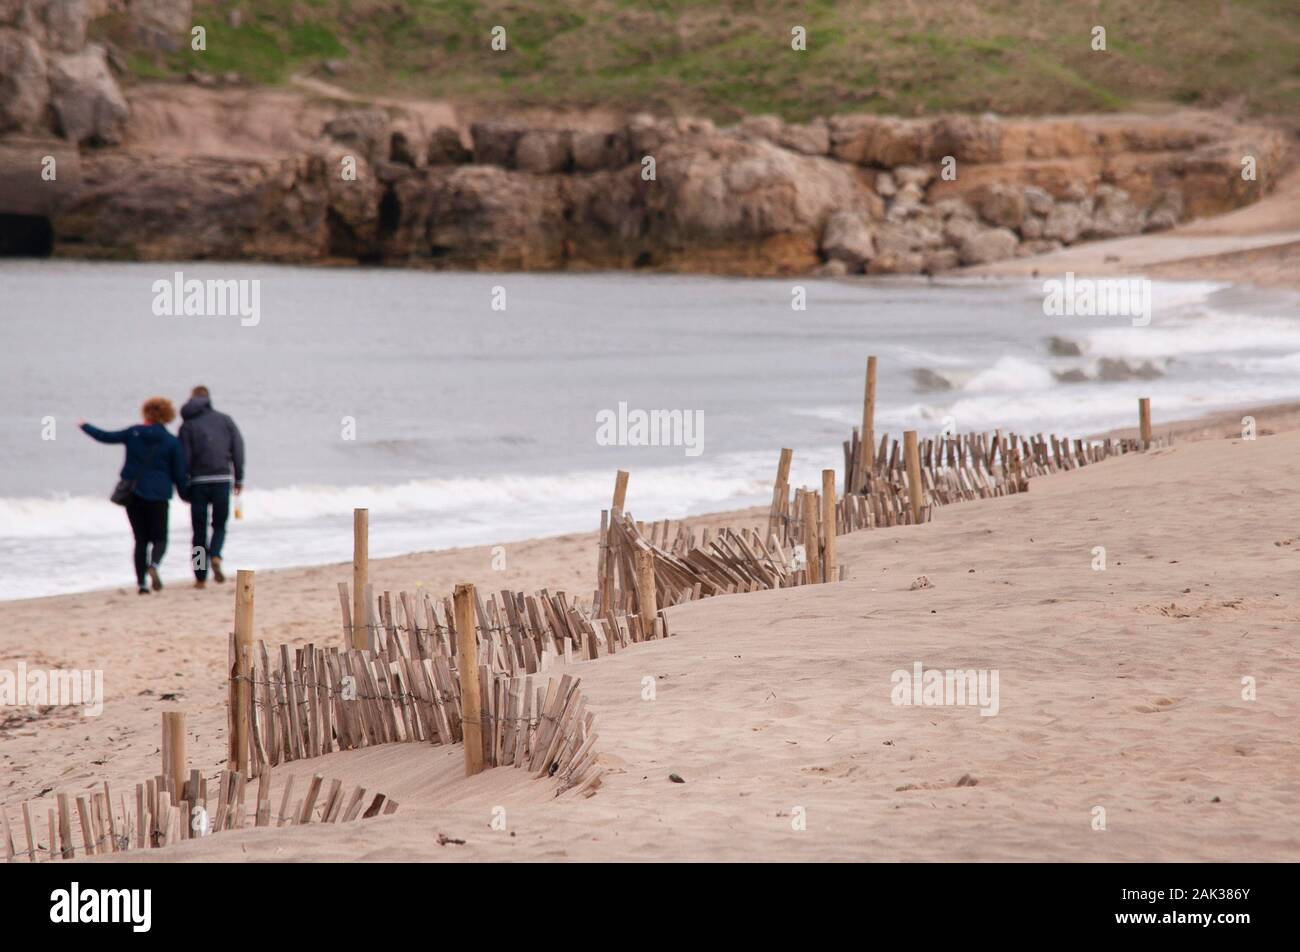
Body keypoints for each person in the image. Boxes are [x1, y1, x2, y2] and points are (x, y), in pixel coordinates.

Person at [81, 398, 188, 595]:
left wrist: (85, 426)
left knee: (140, 540)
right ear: (167, 415)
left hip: (135, 494)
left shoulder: (133, 433)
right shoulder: (171, 441)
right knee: (160, 538)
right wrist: (185, 495)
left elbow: (105, 436)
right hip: (159, 495)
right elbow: (180, 473)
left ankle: (142, 585)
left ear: (146, 413)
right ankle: (154, 564)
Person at [178, 386, 245, 588]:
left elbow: (183, 460)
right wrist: (239, 478)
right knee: (219, 525)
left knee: (198, 532)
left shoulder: (187, 425)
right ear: (208, 399)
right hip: (222, 479)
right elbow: (238, 449)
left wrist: (183, 487)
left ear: (191, 399)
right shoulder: (225, 420)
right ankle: (216, 555)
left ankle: (200, 576)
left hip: (198, 483)